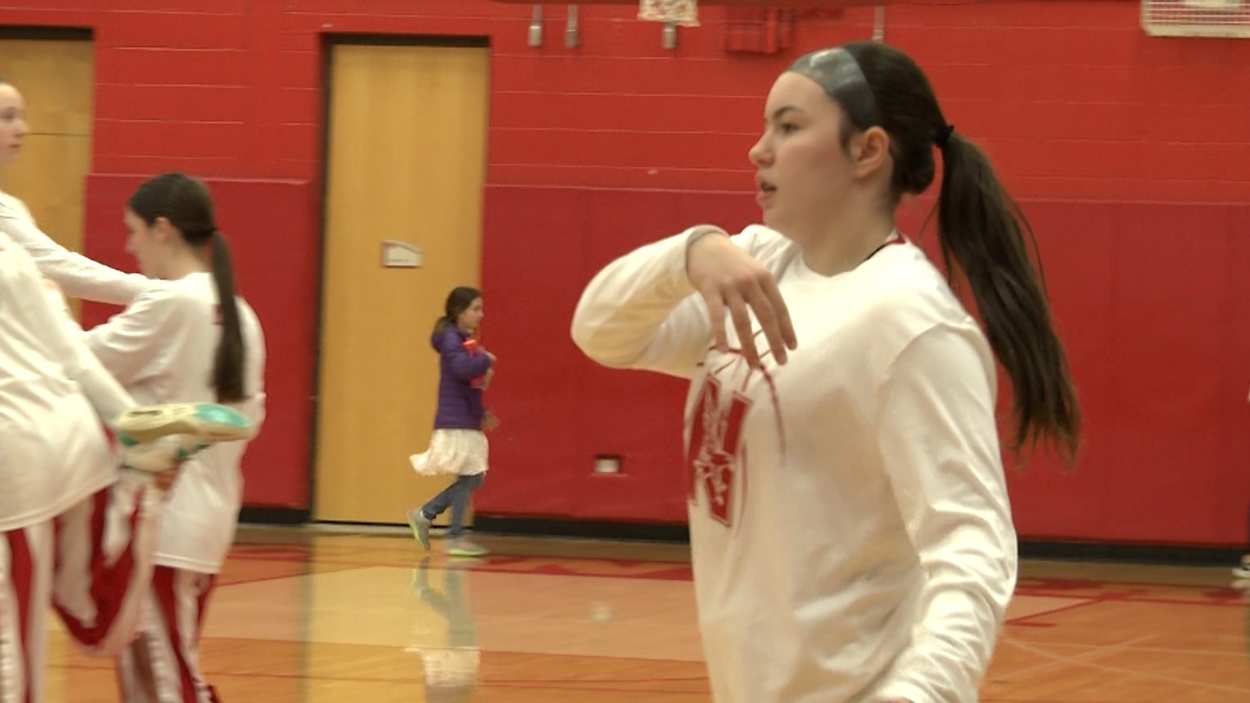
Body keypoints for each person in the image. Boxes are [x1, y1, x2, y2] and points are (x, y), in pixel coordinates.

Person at [571, 42, 1080, 703]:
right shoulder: (760, 265)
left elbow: (973, 547)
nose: (759, 149)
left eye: (787, 126)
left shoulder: (911, 323)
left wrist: (921, 692)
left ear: (867, 151)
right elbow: (600, 330)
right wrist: (690, 251)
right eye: (764, 127)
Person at [75, 172, 266, 703]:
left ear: (163, 230)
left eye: (133, 231)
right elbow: (247, 419)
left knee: (165, 681)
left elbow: (76, 362)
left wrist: (31, 307)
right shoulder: (242, 315)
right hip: (206, 519)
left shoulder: (172, 304)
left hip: (164, 521)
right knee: (151, 678)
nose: (128, 245)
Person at [406, 287, 497, 558]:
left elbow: (470, 385)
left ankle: (431, 517)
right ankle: (446, 528)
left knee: (473, 475)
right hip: (455, 419)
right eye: (475, 309)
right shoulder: (450, 338)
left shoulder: (464, 339)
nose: (481, 315)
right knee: (472, 475)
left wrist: (481, 413)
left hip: (465, 417)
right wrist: (484, 359)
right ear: (459, 312)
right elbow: (462, 369)